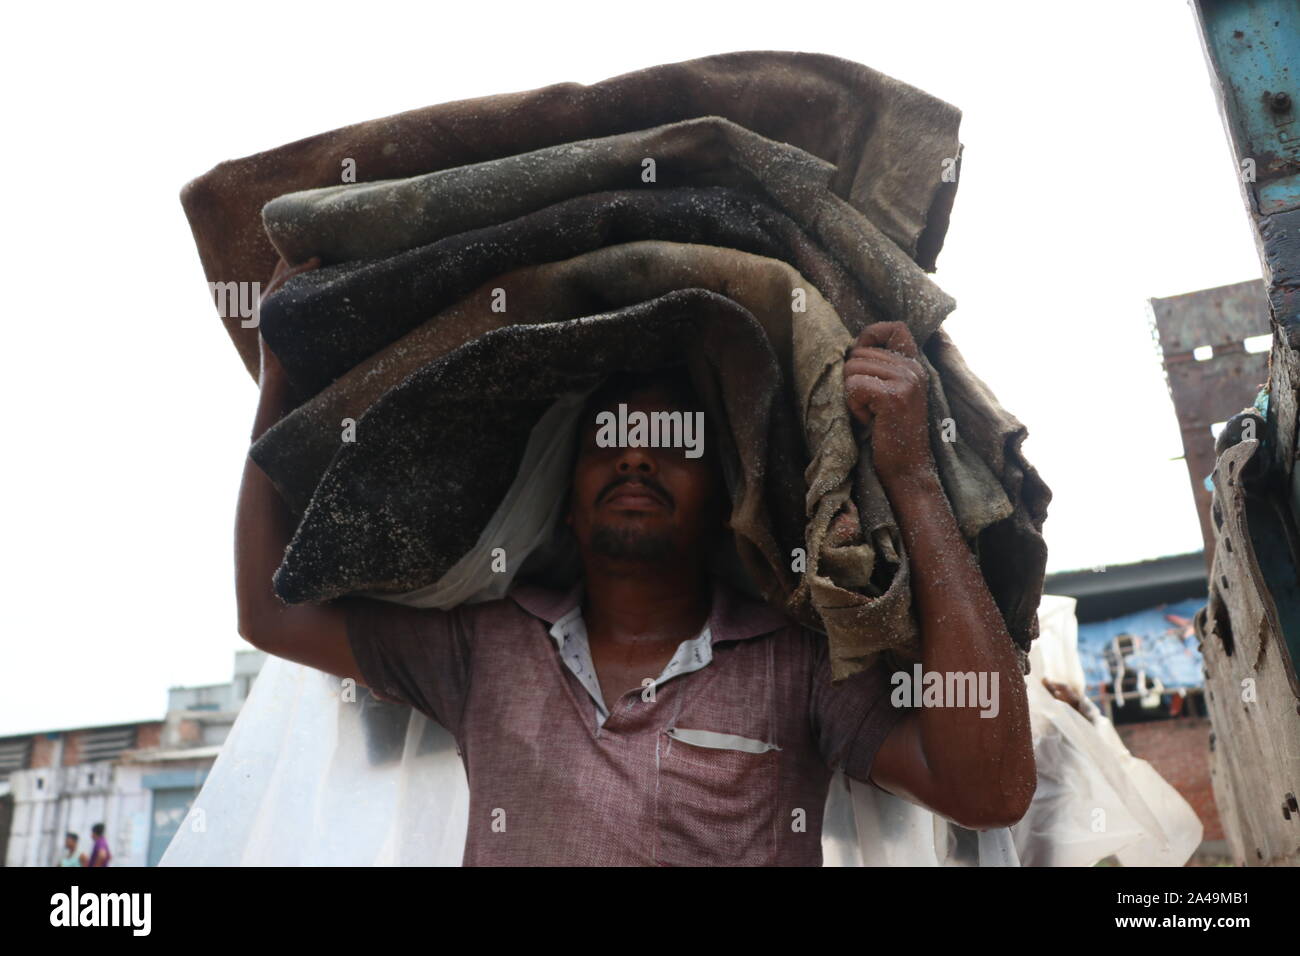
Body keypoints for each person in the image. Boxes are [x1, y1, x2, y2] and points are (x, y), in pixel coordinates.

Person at [235, 259, 1035, 866]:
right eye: (608, 442)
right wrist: (278, 383)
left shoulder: (801, 666)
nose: (637, 460)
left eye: (674, 446)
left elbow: (990, 792)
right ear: (568, 502)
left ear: (729, 501)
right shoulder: (483, 649)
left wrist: (912, 475)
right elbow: (272, 614)